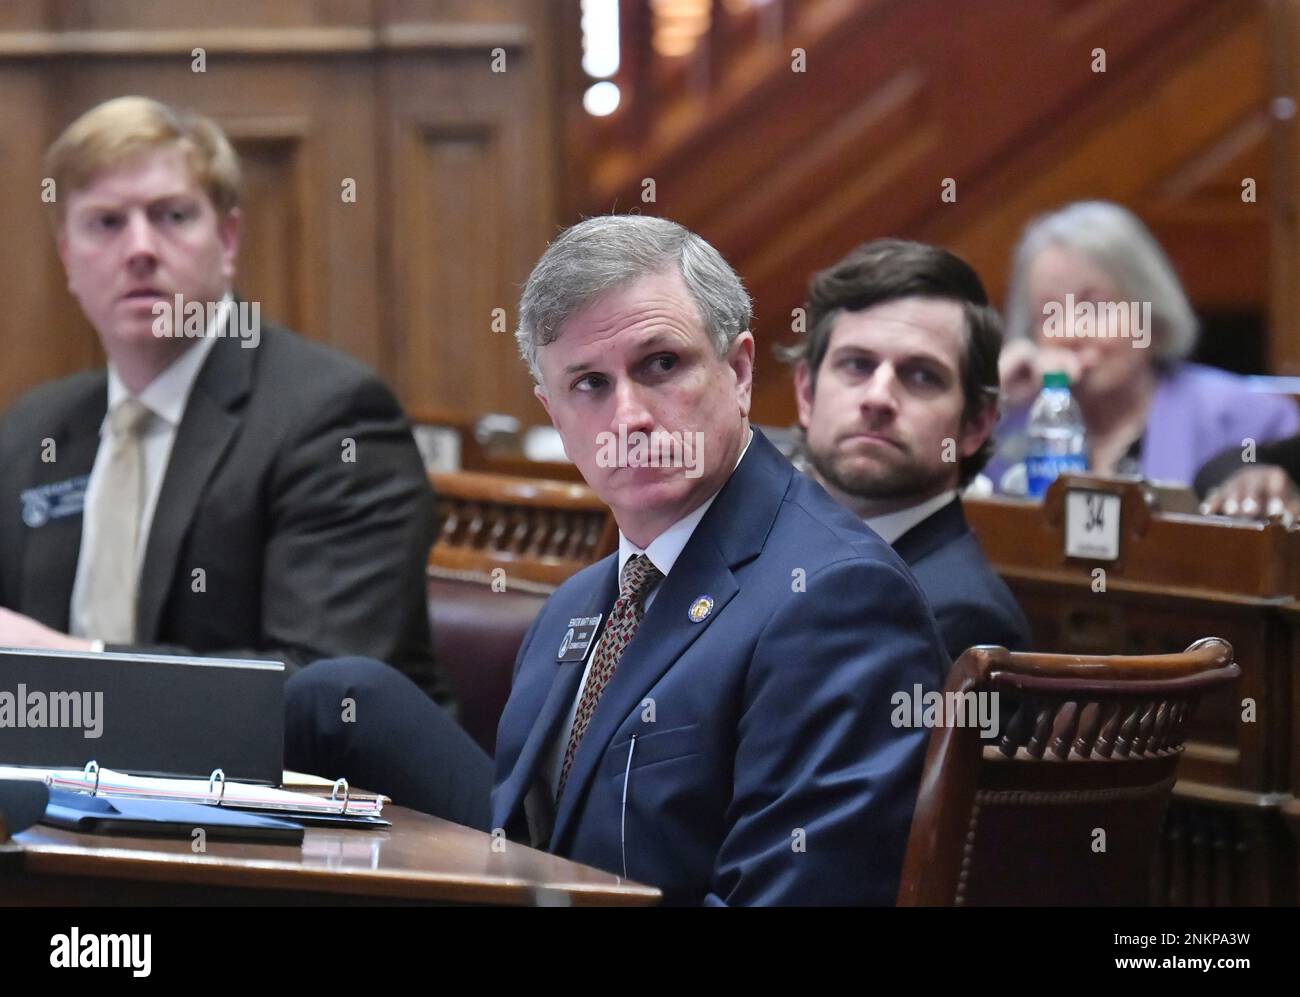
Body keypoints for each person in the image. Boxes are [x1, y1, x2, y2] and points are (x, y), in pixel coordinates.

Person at [487, 215, 947, 905]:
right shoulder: (569, 610)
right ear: (552, 414)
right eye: (590, 384)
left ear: (738, 370)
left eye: (661, 365)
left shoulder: (836, 598)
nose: (629, 417)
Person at [0, 96, 447, 701]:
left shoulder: (333, 418)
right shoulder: (36, 429)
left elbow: (321, 689)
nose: (139, 248)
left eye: (172, 216)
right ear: (67, 259)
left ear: (229, 238)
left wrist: (64, 662)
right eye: (106, 222)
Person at [785, 238, 1030, 661]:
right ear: (806, 392)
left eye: (921, 375)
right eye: (857, 365)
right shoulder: (758, 553)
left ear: (975, 424)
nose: (878, 397)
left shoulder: (961, 617)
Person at [988, 200, 1300, 492]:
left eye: (1094, 307)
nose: (1071, 331)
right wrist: (990, 402)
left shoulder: (1250, 419)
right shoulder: (1009, 423)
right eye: (1048, 314)